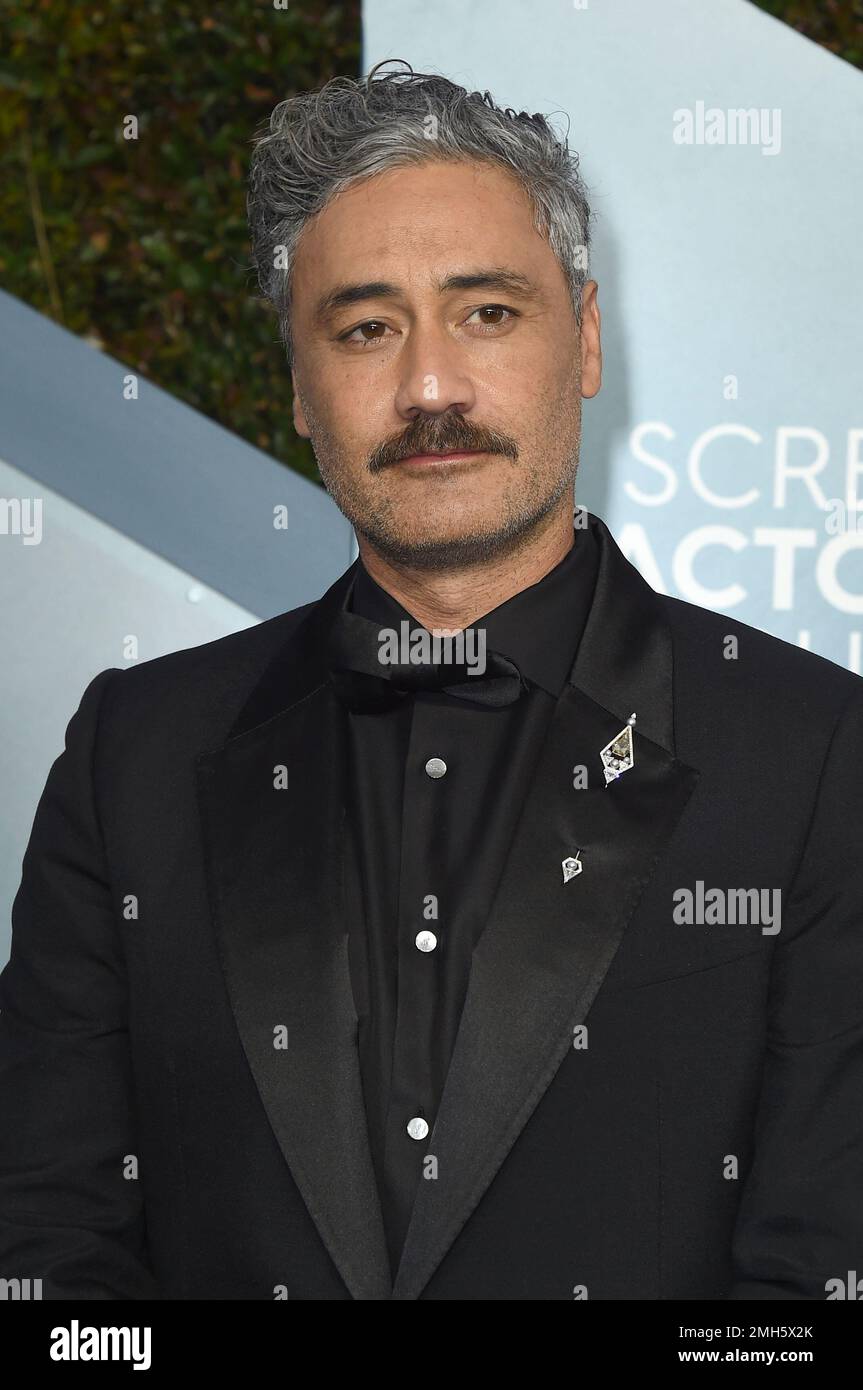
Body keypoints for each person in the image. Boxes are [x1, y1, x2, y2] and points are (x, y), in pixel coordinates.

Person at [1, 59, 861, 1301]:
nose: (430, 389)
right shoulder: (130, 752)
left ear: (587, 341)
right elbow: (49, 1245)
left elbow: (817, 1278)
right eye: (364, 328)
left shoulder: (812, 755)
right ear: (297, 385)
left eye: (486, 312)